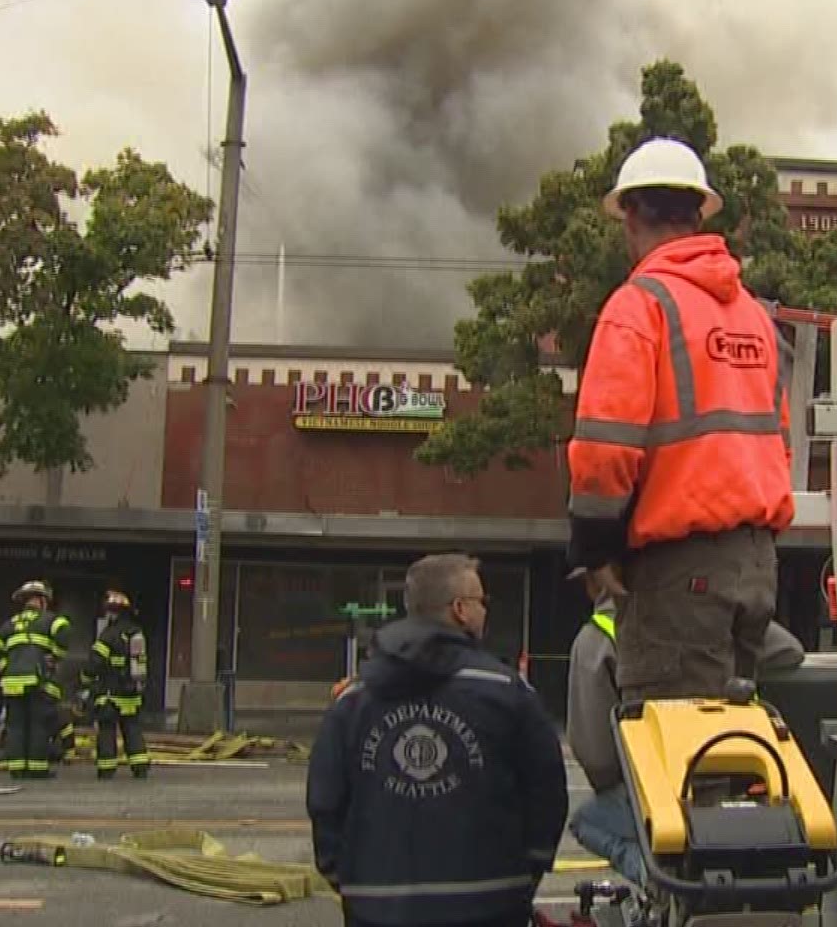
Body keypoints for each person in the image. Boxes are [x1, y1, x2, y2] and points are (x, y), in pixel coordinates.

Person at [567, 137, 796, 701]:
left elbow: (604, 448)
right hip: (755, 565)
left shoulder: (640, 304)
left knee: (675, 750)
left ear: (630, 215)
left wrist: (596, 549)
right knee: (731, 743)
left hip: (678, 573)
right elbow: (779, 443)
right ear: (698, 215)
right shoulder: (752, 315)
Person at [307, 553, 567, 927]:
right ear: (461, 609)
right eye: (481, 602)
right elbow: (545, 793)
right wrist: (527, 872)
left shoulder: (353, 701)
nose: (485, 611)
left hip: (377, 906)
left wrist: (346, 877)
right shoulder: (507, 693)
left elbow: (325, 800)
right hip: (490, 901)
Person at [564, 564, 805, 886]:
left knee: (587, 820)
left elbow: (597, 755)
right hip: (740, 776)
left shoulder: (596, 638)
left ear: (598, 582)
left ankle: (656, 880)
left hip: (661, 794)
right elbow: (790, 652)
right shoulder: (717, 618)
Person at [0, 579, 74, 780]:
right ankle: (36, 768)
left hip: (11, 683)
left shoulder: (10, 623)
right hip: (35, 681)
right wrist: (55, 656)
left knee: (15, 725)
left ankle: (17, 768)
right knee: (37, 724)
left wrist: (5, 667)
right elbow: (64, 629)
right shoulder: (50, 620)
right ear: (43, 601)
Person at [83, 589, 150, 779]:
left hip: (110, 693)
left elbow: (95, 663)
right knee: (132, 729)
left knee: (107, 730)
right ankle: (140, 767)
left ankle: (106, 768)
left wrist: (85, 680)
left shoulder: (108, 635)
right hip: (131, 694)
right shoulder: (136, 632)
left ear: (112, 612)